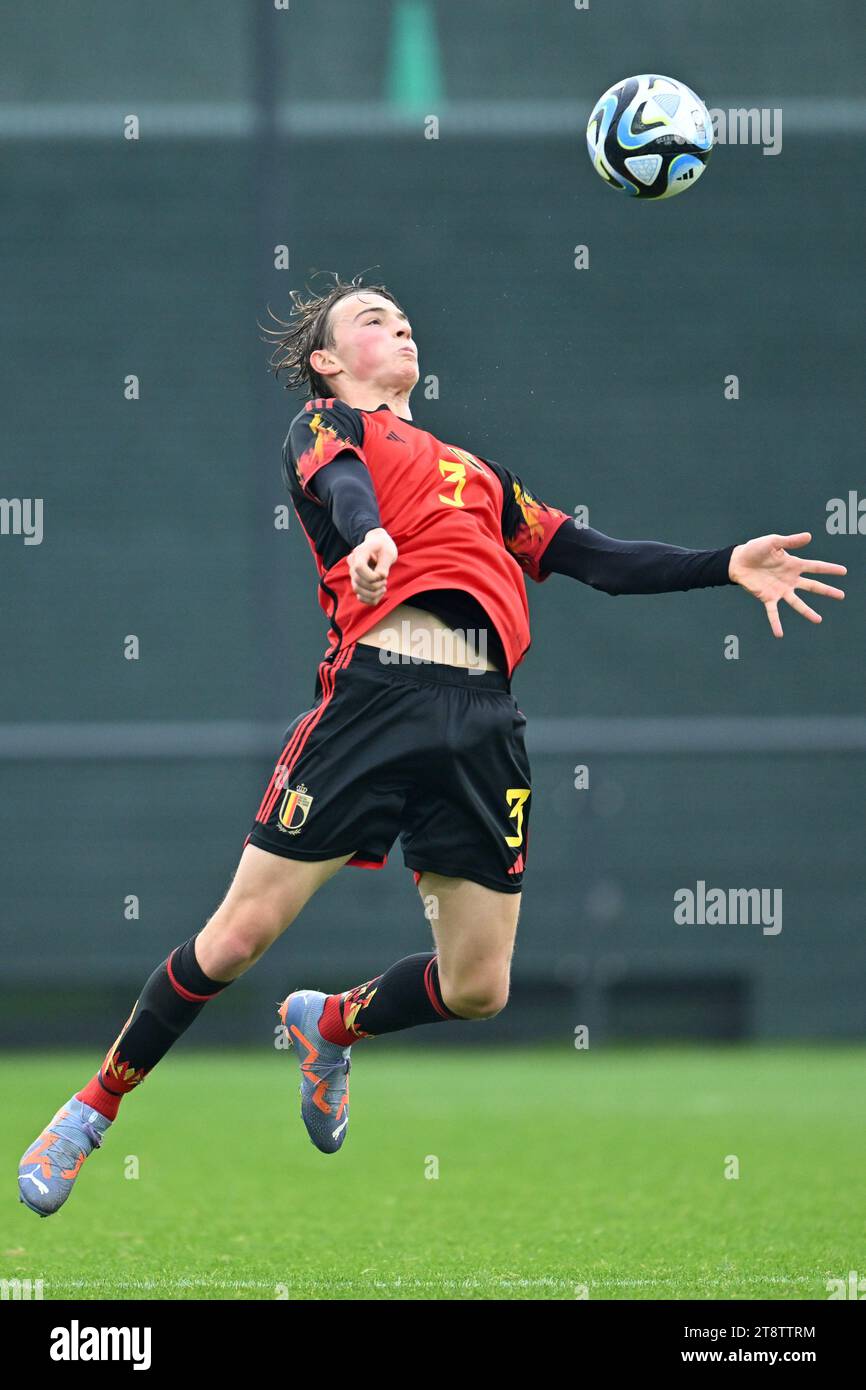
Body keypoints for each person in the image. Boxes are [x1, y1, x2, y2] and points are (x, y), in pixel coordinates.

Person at [18, 275, 846, 1213]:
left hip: (484, 720)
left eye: (403, 315)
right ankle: (91, 1110)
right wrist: (366, 537)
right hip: (373, 701)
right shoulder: (331, 425)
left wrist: (722, 565)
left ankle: (332, 1023)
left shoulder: (480, 475)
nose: (399, 323)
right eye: (371, 318)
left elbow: (592, 557)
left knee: (480, 986)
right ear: (327, 361)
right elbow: (341, 485)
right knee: (237, 937)